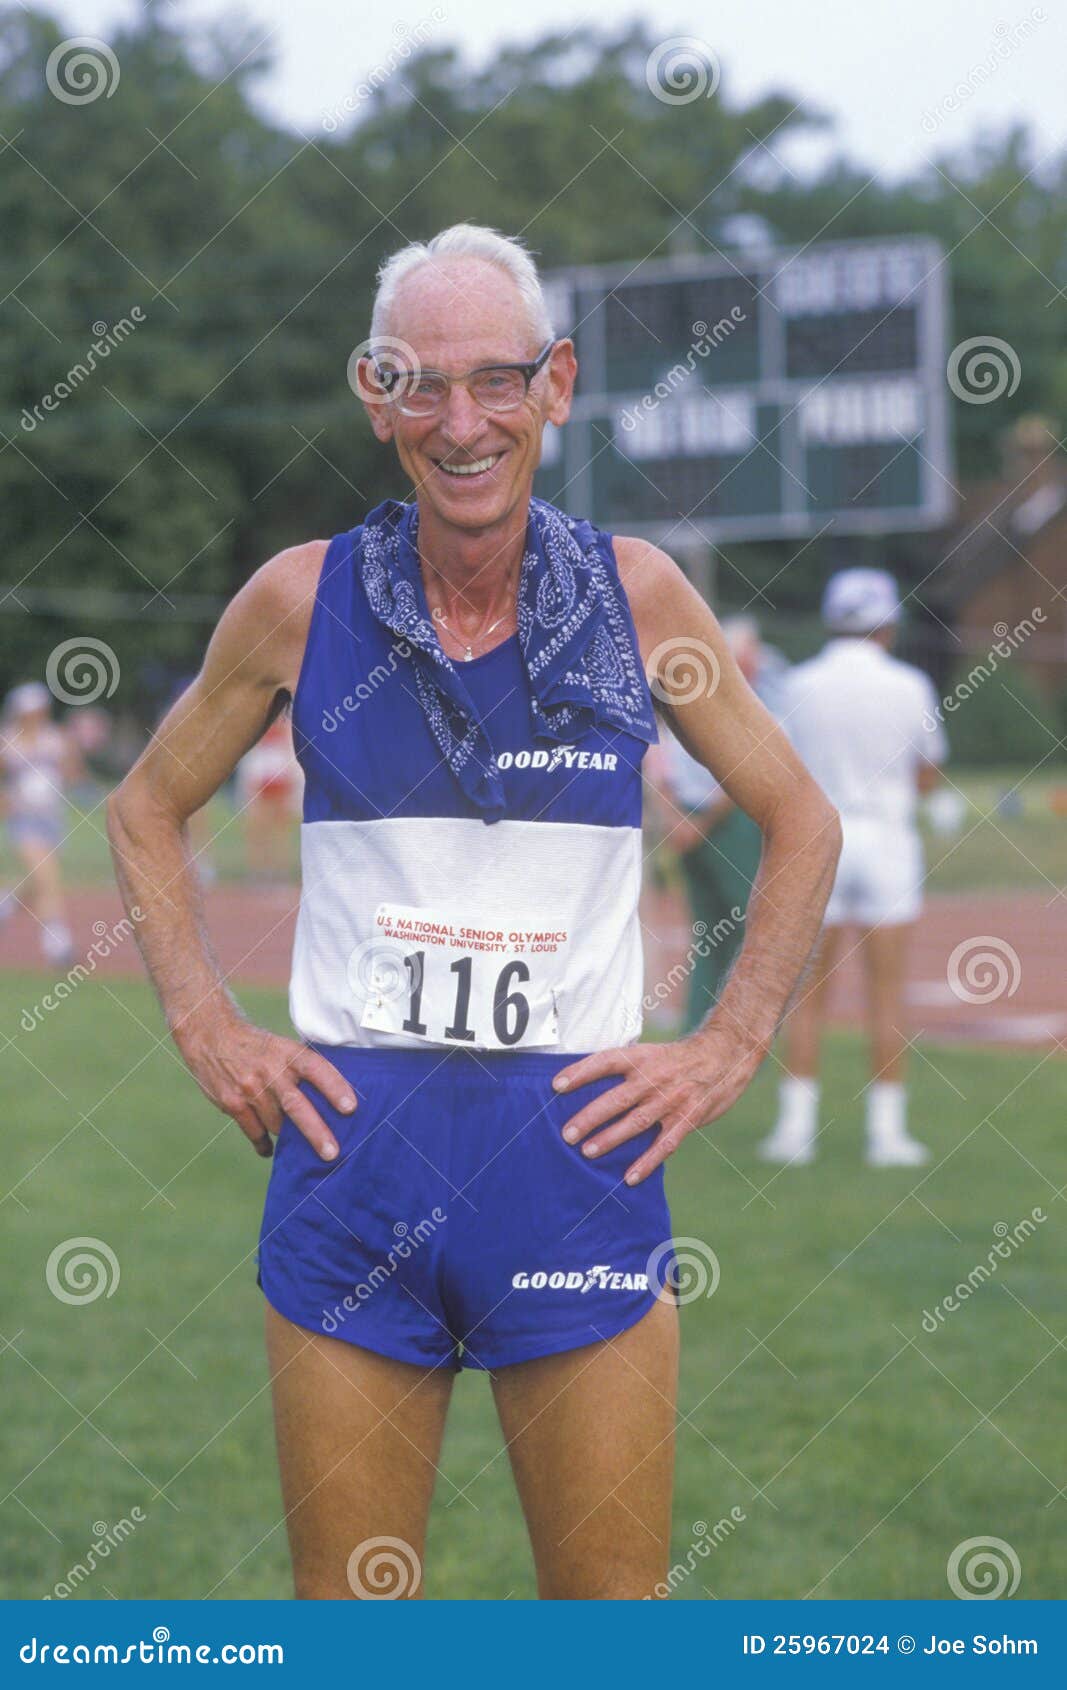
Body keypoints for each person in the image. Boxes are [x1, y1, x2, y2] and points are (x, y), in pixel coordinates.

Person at [108, 224, 840, 1600]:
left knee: (605, 1630)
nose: (461, 422)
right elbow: (142, 806)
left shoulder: (637, 595)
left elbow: (801, 815)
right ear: (374, 394)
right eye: (419, 383)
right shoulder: (294, 601)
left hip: (570, 1149)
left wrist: (729, 1041)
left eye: (496, 381)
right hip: (349, 1154)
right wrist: (209, 1026)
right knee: (352, 1629)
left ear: (555, 385)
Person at [759, 568, 946, 1169]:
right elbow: (927, 771)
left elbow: (782, 772)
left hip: (818, 843)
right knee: (885, 993)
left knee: (807, 994)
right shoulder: (910, 684)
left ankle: (795, 1130)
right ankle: (887, 1135)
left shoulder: (799, 683)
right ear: (886, 624)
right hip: (887, 840)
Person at [659, 618, 788, 1032]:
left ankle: (703, 1029)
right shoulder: (742, 707)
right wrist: (693, 825)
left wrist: (678, 823)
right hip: (725, 823)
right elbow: (744, 775)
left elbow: (659, 763)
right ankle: (732, 1031)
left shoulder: (685, 696)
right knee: (738, 931)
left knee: (711, 935)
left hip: (694, 817)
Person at [0, 681, 81, 967]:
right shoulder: (8, 740)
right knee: (47, 876)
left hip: (52, 819)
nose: (35, 715)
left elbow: (72, 775)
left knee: (39, 879)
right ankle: (57, 944)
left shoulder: (56, 739)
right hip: (23, 819)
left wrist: (72, 755)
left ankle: (5, 904)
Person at [235, 712, 303, 883]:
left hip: (281, 783)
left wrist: (293, 789)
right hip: (261, 784)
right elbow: (250, 760)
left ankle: (280, 872)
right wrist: (249, 789)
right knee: (258, 830)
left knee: (280, 832)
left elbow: (292, 756)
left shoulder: (287, 729)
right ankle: (259, 871)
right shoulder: (257, 729)